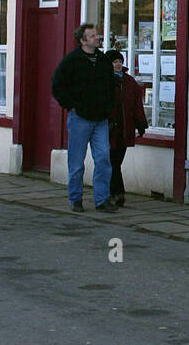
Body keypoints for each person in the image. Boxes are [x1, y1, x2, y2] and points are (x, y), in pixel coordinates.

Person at [51, 23, 117, 214]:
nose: (97, 38)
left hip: (101, 119)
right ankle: (75, 198)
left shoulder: (103, 60)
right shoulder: (72, 60)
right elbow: (57, 85)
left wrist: (108, 107)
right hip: (80, 118)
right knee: (77, 161)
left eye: (97, 35)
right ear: (83, 40)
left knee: (104, 158)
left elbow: (110, 86)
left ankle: (102, 199)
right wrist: (71, 105)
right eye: (93, 35)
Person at [104, 50, 147, 206]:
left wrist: (141, 124)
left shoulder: (129, 82)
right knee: (111, 162)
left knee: (116, 162)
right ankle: (117, 194)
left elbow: (137, 106)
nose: (118, 64)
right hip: (107, 129)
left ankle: (115, 194)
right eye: (114, 61)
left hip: (124, 129)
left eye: (120, 61)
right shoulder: (104, 81)